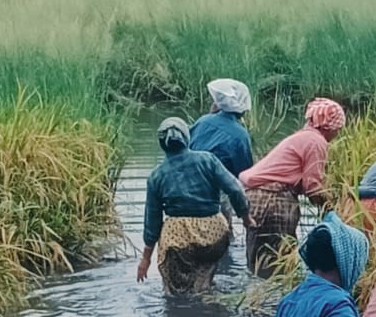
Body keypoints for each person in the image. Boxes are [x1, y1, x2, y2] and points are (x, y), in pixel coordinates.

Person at [137, 117, 250, 294]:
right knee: (203, 282)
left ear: (162, 144)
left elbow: (152, 221)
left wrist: (146, 259)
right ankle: (206, 306)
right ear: (187, 138)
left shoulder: (157, 176)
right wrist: (246, 218)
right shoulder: (208, 160)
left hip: (179, 237)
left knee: (178, 293)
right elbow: (235, 189)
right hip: (214, 234)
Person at [240, 97, 346, 275]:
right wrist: (333, 209)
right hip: (274, 199)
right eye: (338, 129)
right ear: (330, 126)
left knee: (257, 259)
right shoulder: (316, 142)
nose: (338, 134)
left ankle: (255, 299)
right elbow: (312, 186)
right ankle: (273, 301)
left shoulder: (300, 137)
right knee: (278, 261)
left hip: (254, 197)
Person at [189, 78, 254, 178]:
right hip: (216, 186)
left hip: (188, 177)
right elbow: (245, 173)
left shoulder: (203, 121)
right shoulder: (240, 135)